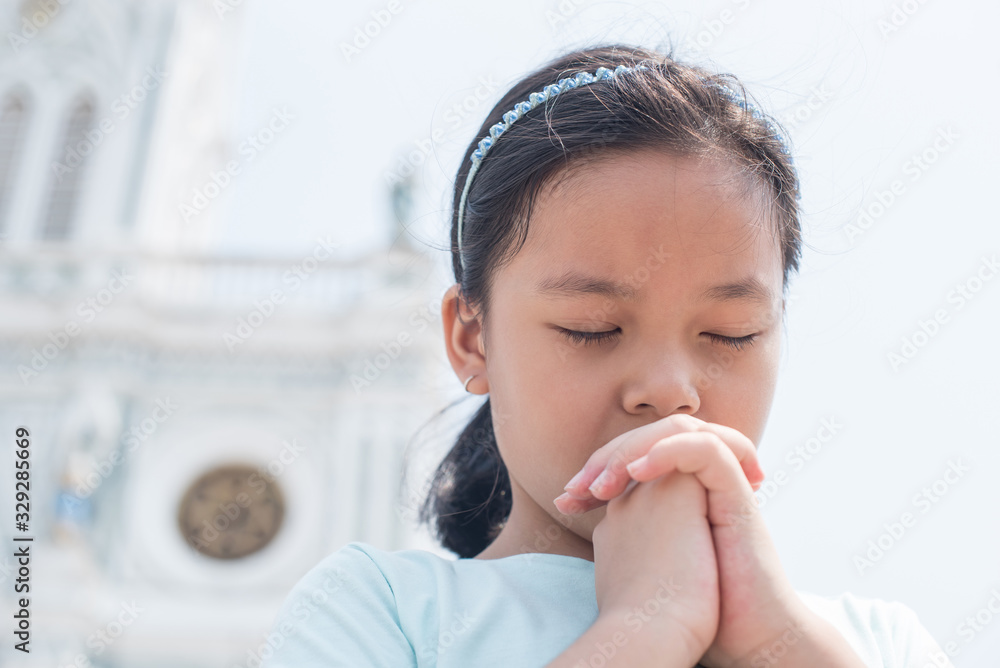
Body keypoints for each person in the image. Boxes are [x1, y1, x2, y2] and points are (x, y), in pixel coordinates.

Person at [260, 43, 954, 668]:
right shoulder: (383, 611)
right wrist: (648, 628)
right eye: (592, 328)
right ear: (473, 339)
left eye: (730, 333)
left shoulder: (879, 643)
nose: (669, 391)